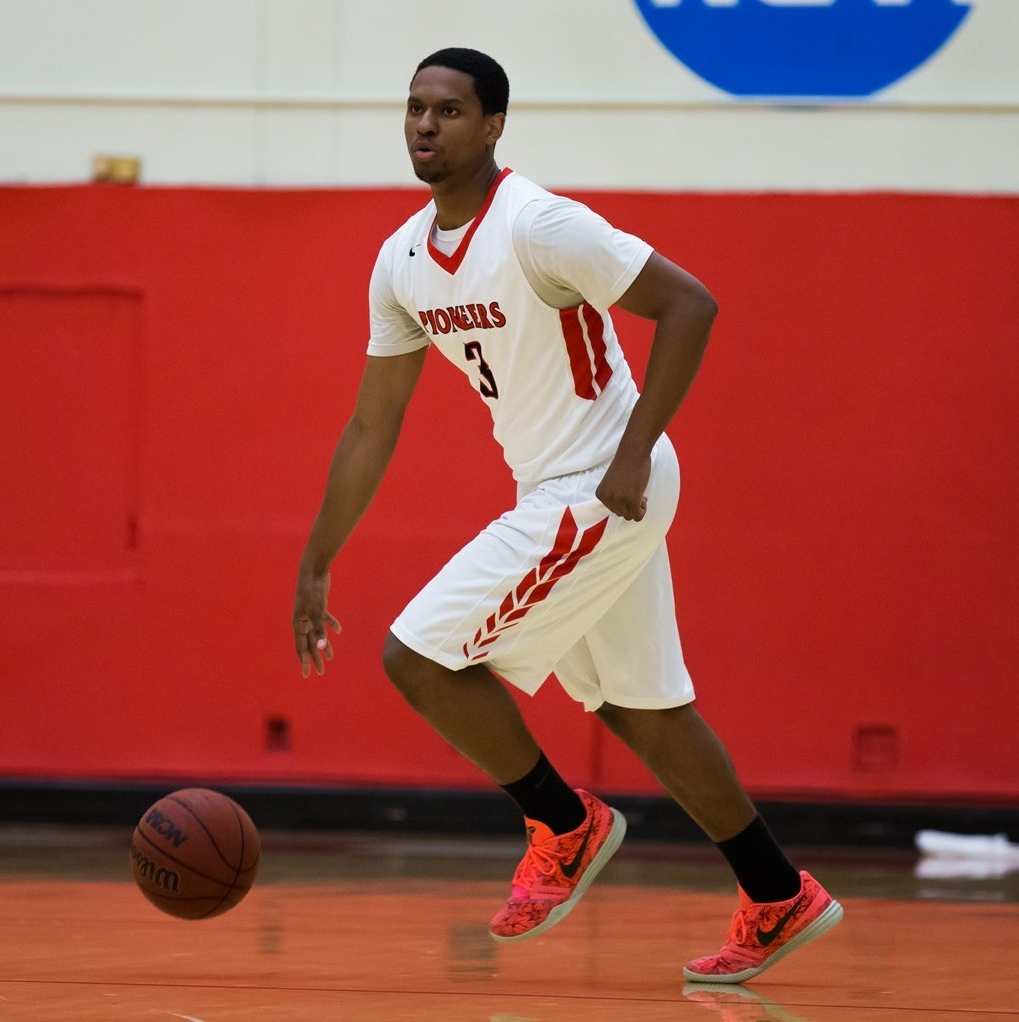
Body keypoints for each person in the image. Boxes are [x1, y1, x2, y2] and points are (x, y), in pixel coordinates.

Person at [291, 47, 842, 984]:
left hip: (601, 481)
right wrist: (315, 563)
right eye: (415, 108)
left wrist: (631, 453)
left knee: (416, 657)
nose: (426, 125)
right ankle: (776, 891)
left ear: (495, 125)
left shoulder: (539, 224)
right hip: (555, 488)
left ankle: (561, 820)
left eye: (450, 111)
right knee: (644, 710)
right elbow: (370, 425)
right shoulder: (400, 262)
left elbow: (690, 305)